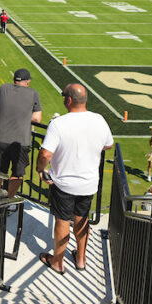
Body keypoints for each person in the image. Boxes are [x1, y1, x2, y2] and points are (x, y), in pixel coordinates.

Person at [36, 83, 114, 275]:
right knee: (82, 219)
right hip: (88, 182)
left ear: (69, 100)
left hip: (64, 183)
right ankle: (81, 259)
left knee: (63, 221)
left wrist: (40, 169)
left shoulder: (59, 124)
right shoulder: (99, 119)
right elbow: (108, 144)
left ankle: (58, 262)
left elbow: (45, 153)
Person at [0, 68, 43, 198]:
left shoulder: (3, 88)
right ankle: (8, 200)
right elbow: (37, 118)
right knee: (17, 174)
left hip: (0, 138)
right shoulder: (33, 93)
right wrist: (24, 115)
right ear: (28, 82)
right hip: (20, 142)